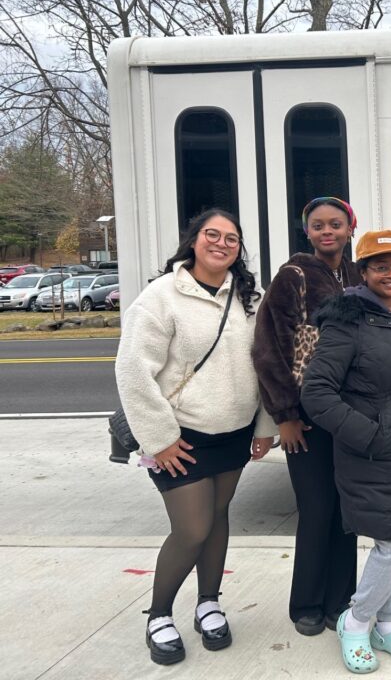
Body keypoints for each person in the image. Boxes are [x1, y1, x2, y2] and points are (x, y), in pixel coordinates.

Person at [114, 208, 276, 666]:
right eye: (212, 234)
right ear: (193, 240)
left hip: (234, 431)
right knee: (192, 528)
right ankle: (159, 615)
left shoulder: (247, 297)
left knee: (219, 517)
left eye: (231, 239)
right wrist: (159, 438)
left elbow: (263, 365)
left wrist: (264, 427)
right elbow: (132, 372)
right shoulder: (161, 296)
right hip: (179, 436)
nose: (221, 244)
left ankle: (209, 603)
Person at [301, 229, 391, 674]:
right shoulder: (347, 321)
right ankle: (357, 621)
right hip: (374, 452)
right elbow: (317, 393)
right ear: (363, 271)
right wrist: (370, 435)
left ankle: (388, 623)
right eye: (381, 266)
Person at [253, 197, 360, 636]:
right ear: (308, 232)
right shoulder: (292, 277)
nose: (327, 231)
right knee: (316, 510)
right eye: (318, 225)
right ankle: (307, 604)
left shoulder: (358, 275)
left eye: (336, 224)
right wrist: (285, 415)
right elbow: (268, 350)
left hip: (352, 415)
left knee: (347, 513)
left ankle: (342, 602)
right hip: (308, 418)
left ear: (351, 228)